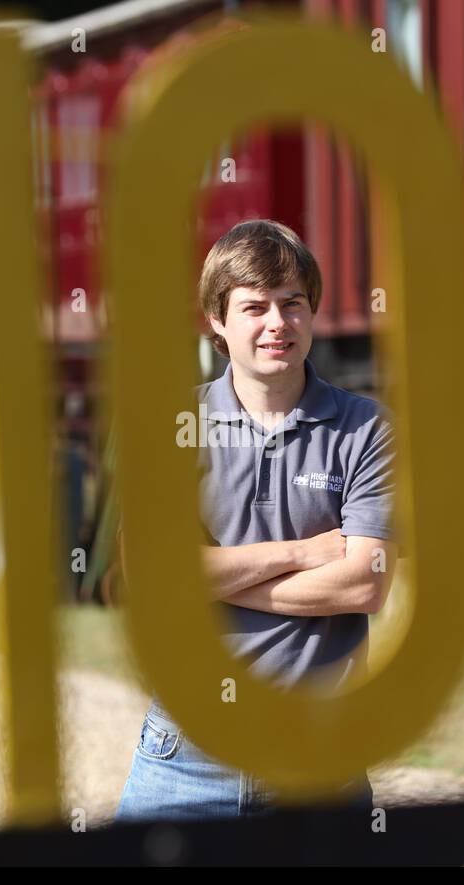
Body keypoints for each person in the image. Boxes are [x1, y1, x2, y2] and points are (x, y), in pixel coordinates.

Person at [113, 219, 398, 822]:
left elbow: (363, 583)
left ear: (313, 313)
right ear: (218, 321)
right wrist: (303, 553)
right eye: (255, 307)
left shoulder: (365, 429)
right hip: (184, 760)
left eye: (292, 304)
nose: (277, 324)